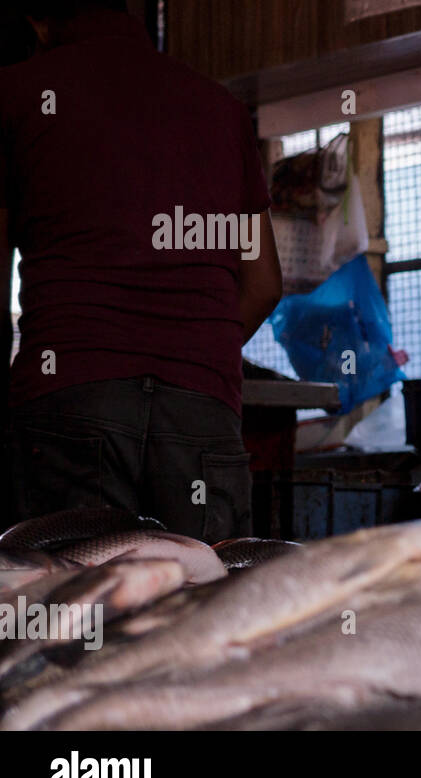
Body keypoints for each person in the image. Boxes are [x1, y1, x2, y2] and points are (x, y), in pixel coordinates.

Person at [0, 1, 283, 541]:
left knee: (84, 611)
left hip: (72, 403)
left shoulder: (18, 92)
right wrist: (191, 351)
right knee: (200, 611)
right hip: (201, 412)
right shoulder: (221, 108)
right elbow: (265, 285)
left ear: (37, 21)